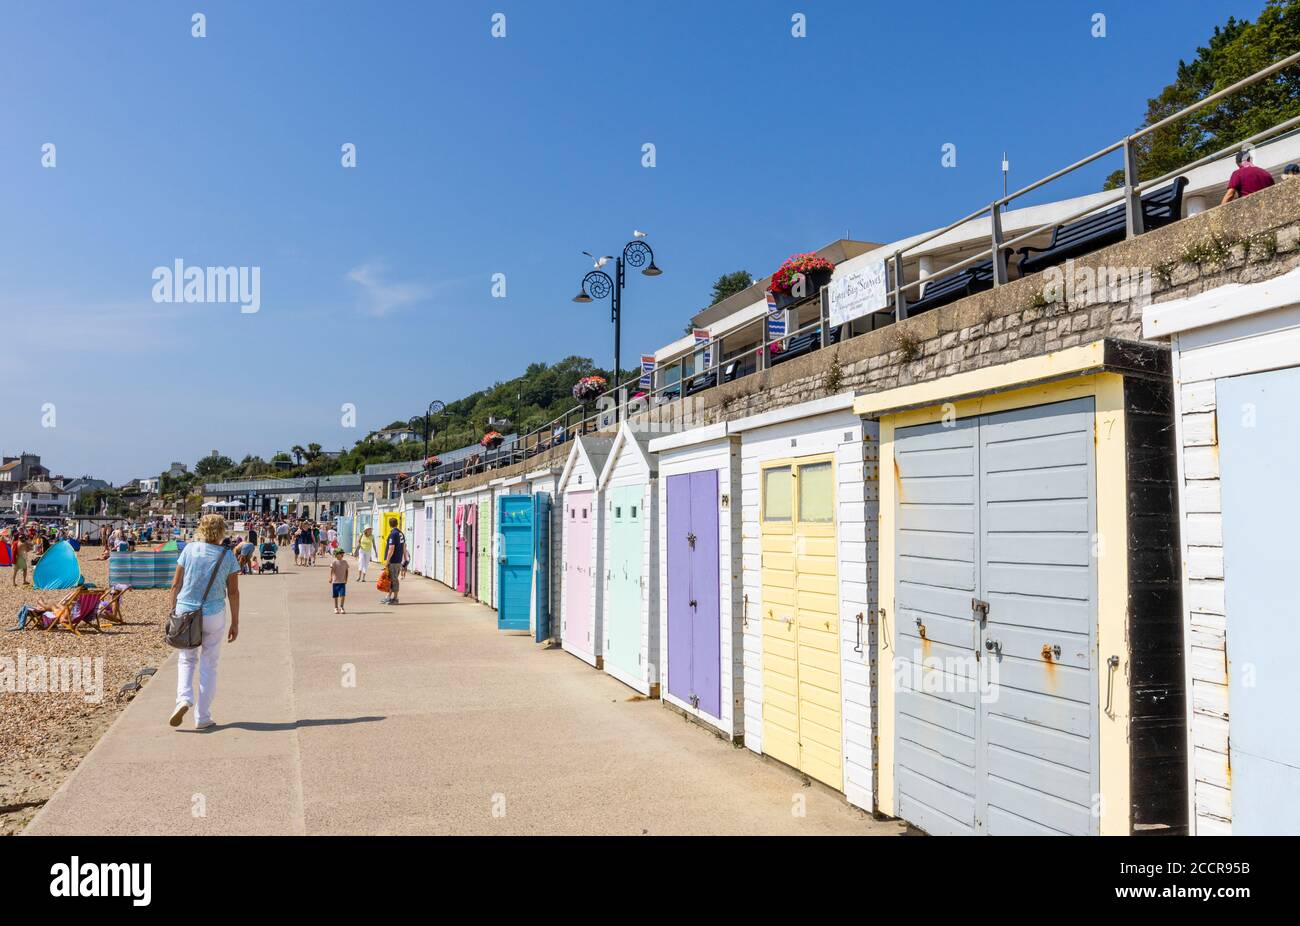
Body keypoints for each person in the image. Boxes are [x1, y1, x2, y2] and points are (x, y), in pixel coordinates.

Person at [168, 514, 240, 731]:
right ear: (221, 532)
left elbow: (175, 584)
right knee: (209, 663)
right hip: (213, 613)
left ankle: (183, 699)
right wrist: (235, 622)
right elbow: (234, 592)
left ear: (201, 529)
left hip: (186, 610)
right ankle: (203, 716)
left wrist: (173, 611)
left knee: (186, 659)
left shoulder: (189, 549)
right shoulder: (227, 556)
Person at [381, 519, 404, 605]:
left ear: (389, 524)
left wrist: (387, 561)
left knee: (394, 579)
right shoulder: (401, 533)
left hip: (393, 561)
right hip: (398, 560)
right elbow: (404, 547)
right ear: (397, 524)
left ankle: (395, 598)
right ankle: (389, 597)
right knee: (391, 579)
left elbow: (391, 549)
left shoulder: (393, 534)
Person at [329, 549, 349, 614]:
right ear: (336, 555)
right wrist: (331, 578)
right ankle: (336, 608)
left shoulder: (345, 562)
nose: (341, 555)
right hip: (335, 582)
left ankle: (342, 607)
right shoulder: (334, 562)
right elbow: (332, 571)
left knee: (343, 595)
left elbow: (346, 571)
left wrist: (346, 579)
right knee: (335, 596)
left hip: (342, 582)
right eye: (340, 553)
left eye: (342, 554)